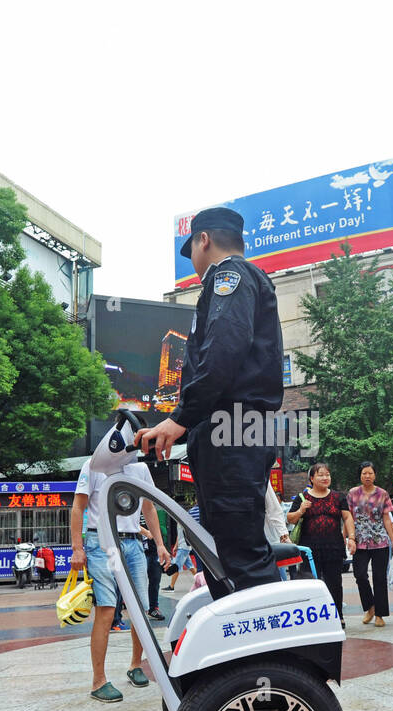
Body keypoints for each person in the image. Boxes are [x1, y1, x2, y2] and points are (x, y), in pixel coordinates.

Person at [138, 207, 282, 599]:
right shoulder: (242, 280)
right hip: (231, 429)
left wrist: (180, 418)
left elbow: (222, 353)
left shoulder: (229, 278)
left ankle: (268, 657)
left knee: (238, 554)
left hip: (231, 429)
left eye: (194, 250)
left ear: (204, 239)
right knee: (222, 552)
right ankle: (248, 653)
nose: (195, 261)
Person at [71, 458, 170, 702]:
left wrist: (159, 544)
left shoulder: (141, 469)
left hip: (133, 543)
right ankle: (98, 681)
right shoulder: (93, 464)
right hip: (101, 542)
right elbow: (78, 506)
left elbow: (148, 508)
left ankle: (136, 665)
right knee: (106, 609)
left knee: (140, 610)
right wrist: (77, 548)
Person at [287, 462, 353, 624]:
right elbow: (290, 519)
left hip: (333, 547)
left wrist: (351, 537)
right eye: (321, 475)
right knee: (310, 584)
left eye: (327, 474)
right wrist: (301, 510)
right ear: (312, 478)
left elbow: (347, 517)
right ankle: (313, 618)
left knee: (335, 583)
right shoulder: (303, 498)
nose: (325, 478)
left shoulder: (338, 497)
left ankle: (338, 616)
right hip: (309, 551)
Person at [347, 461, 393, 627]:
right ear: (360, 475)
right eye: (364, 473)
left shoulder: (382, 493)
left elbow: (386, 518)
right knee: (360, 575)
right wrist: (348, 538)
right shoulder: (353, 493)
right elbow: (348, 517)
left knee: (379, 578)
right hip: (359, 541)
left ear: (374, 475)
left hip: (380, 541)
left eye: (370, 473)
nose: (367, 476)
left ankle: (380, 614)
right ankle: (370, 606)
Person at [163, 498, 199, 589]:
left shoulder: (184, 520)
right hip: (183, 547)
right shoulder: (179, 520)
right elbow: (179, 535)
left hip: (184, 547)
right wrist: (176, 546)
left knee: (176, 567)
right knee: (191, 567)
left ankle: (171, 586)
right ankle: (201, 582)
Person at [139, 514, 165, 621]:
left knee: (155, 580)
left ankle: (153, 608)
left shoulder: (150, 507)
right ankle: (138, 609)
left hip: (154, 551)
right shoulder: (131, 505)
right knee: (138, 583)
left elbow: (159, 528)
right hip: (138, 550)